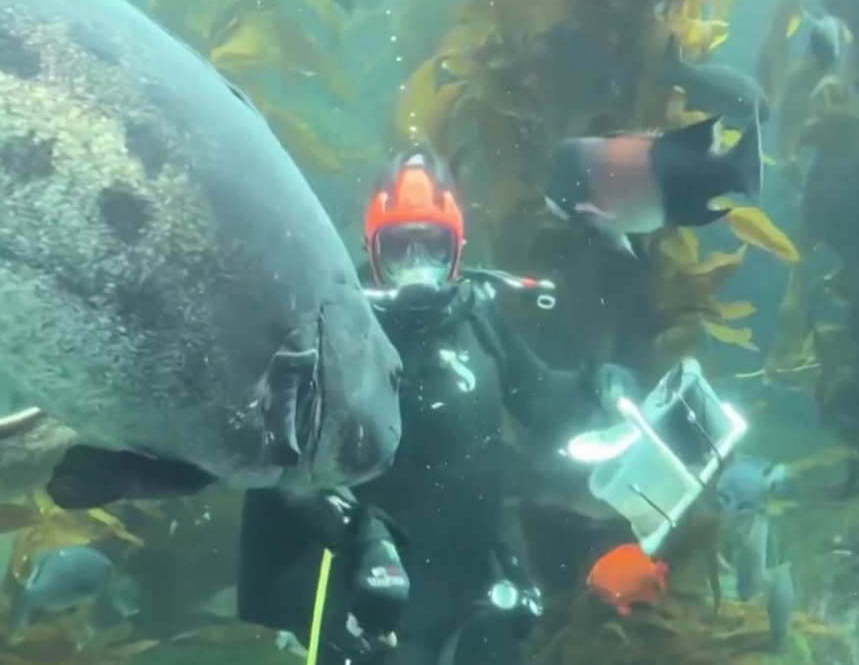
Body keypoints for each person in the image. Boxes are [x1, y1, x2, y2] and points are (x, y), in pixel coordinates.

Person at [236, 150, 642, 665]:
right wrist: (358, 535)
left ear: (458, 249)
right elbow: (277, 473)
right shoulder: (329, 338)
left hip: (476, 596)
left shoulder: (478, 318)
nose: (417, 272)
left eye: (433, 249)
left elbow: (541, 400)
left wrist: (597, 386)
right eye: (399, 250)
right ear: (369, 247)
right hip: (370, 597)